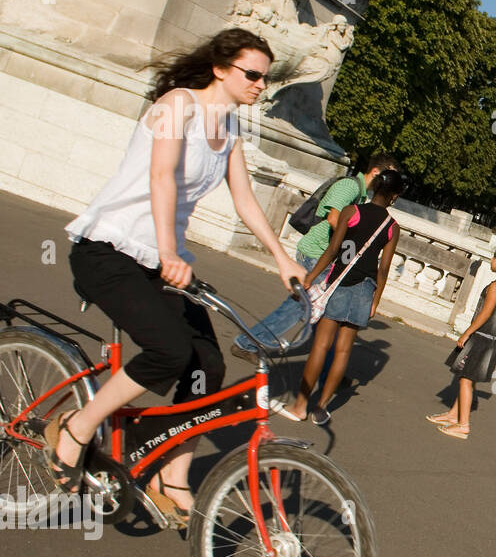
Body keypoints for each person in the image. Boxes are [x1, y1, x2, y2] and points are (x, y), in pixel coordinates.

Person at [51, 28, 306, 527]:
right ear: (220, 68)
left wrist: (282, 258)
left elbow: (246, 202)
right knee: (168, 351)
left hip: (160, 264)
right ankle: (77, 428)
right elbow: (161, 175)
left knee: (207, 365)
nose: (260, 85)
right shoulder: (179, 106)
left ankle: (173, 477)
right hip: (110, 249)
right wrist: (169, 250)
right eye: (252, 74)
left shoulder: (229, 130)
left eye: (264, 78)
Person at [231, 152, 400, 362]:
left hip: (325, 255)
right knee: (300, 306)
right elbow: (333, 218)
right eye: (388, 177)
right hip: (316, 252)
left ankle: (327, 369)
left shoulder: (361, 194)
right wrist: (356, 241)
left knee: (327, 310)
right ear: (375, 173)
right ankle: (247, 343)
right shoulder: (350, 187)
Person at [274, 170, 405, 425]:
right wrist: (376, 300)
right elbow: (384, 269)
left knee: (321, 346)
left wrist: (312, 276)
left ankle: (300, 405)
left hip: (340, 282)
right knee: (343, 350)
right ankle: (321, 407)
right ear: (394, 197)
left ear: (375, 187)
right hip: (365, 288)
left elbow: (334, 249)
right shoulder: (392, 227)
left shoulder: (351, 212)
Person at [426, 242, 496, 440]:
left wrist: (466, 333)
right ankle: (454, 415)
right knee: (467, 377)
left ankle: (463, 425)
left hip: (481, 339)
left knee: (465, 379)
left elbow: (485, 314)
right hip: (488, 340)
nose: (492, 260)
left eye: (495, 257)